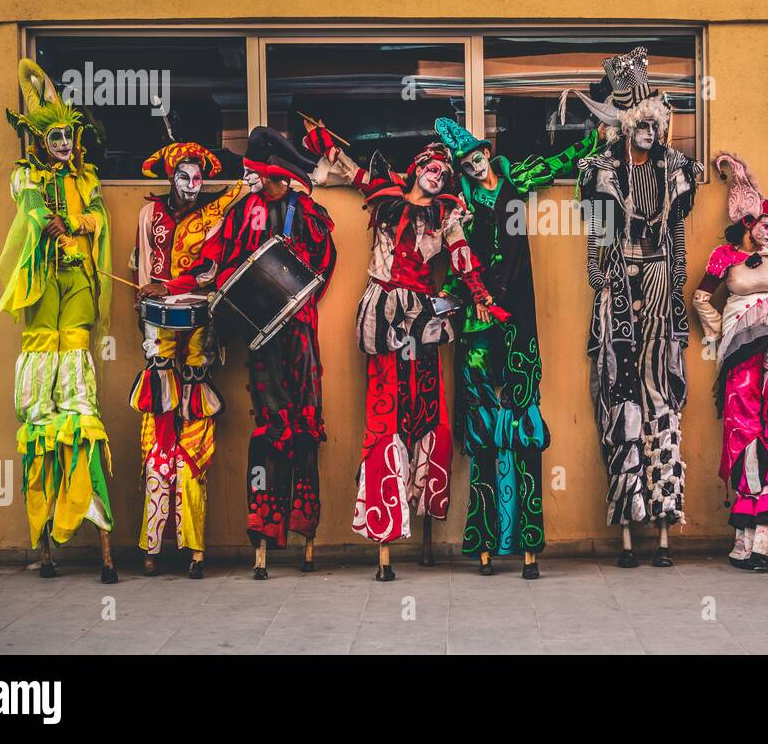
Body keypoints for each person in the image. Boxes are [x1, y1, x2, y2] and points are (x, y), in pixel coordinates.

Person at [302, 124, 501, 582]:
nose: (437, 175)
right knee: (385, 415)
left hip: (423, 317)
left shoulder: (447, 215)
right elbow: (352, 173)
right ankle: (384, 531)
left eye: (443, 172)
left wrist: (480, 294)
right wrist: (324, 144)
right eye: (431, 168)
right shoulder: (387, 196)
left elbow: (462, 255)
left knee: (427, 413)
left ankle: (426, 519)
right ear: (416, 170)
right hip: (383, 313)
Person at [434, 116, 600, 579]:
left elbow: (556, 163)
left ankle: (528, 544)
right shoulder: (459, 207)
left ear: (486, 153)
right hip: (479, 321)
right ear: (461, 170)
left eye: (477, 156)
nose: (475, 165)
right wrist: (458, 300)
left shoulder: (514, 180)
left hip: (518, 319)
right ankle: (484, 543)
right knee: (484, 429)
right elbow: (453, 258)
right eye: (466, 163)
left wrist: (593, 141)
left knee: (523, 421)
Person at [0, 59, 117, 582]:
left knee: (79, 393)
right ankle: (46, 534)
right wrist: (47, 224)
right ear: (39, 140)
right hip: (41, 287)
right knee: (41, 400)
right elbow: (29, 208)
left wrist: (76, 224)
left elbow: (99, 218)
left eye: (67, 134)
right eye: (53, 135)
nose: (62, 142)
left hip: (77, 281)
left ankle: (91, 511)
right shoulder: (26, 176)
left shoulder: (87, 178)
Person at [570, 46, 702, 568]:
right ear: (624, 127)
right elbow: (598, 232)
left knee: (659, 396)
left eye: (654, 124)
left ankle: (665, 524)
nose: (648, 131)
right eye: (640, 124)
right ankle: (627, 523)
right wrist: (596, 275)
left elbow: (676, 235)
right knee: (621, 394)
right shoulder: (603, 169)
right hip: (620, 289)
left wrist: (672, 296)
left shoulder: (674, 169)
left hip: (655, 282)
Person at [189, 127, 337, 580]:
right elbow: (215, 262)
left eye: (265, 177)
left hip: (300, 333)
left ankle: (304, 530)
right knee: (271, 430)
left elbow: (323, 263)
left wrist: (299, 299)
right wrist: (211, 276)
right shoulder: (242, 212)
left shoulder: (308, 213)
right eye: (256, 176)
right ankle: (264, 534)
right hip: (261, 338)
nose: (259, 184)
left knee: (306, 428)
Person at [693, 153, 768, 571]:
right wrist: (718, 334)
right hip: (741, 349)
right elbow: (702, 299)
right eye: (764, 223)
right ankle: (751, 532)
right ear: (747, 224)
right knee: (745, 424)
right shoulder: (723, 257)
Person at [129, 141, 241, 579]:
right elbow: (140, 265)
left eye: (198, 179)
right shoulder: (148, 214)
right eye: (184, 177)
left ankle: (195, 546)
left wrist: (169, 287)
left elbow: (209, 272)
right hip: (158, 327)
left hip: (198, 321)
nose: (192, 186)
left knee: (192, 442)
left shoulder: (211, 218)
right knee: (158, 442)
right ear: (170, 178)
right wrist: (146, 296)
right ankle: (151, 544)